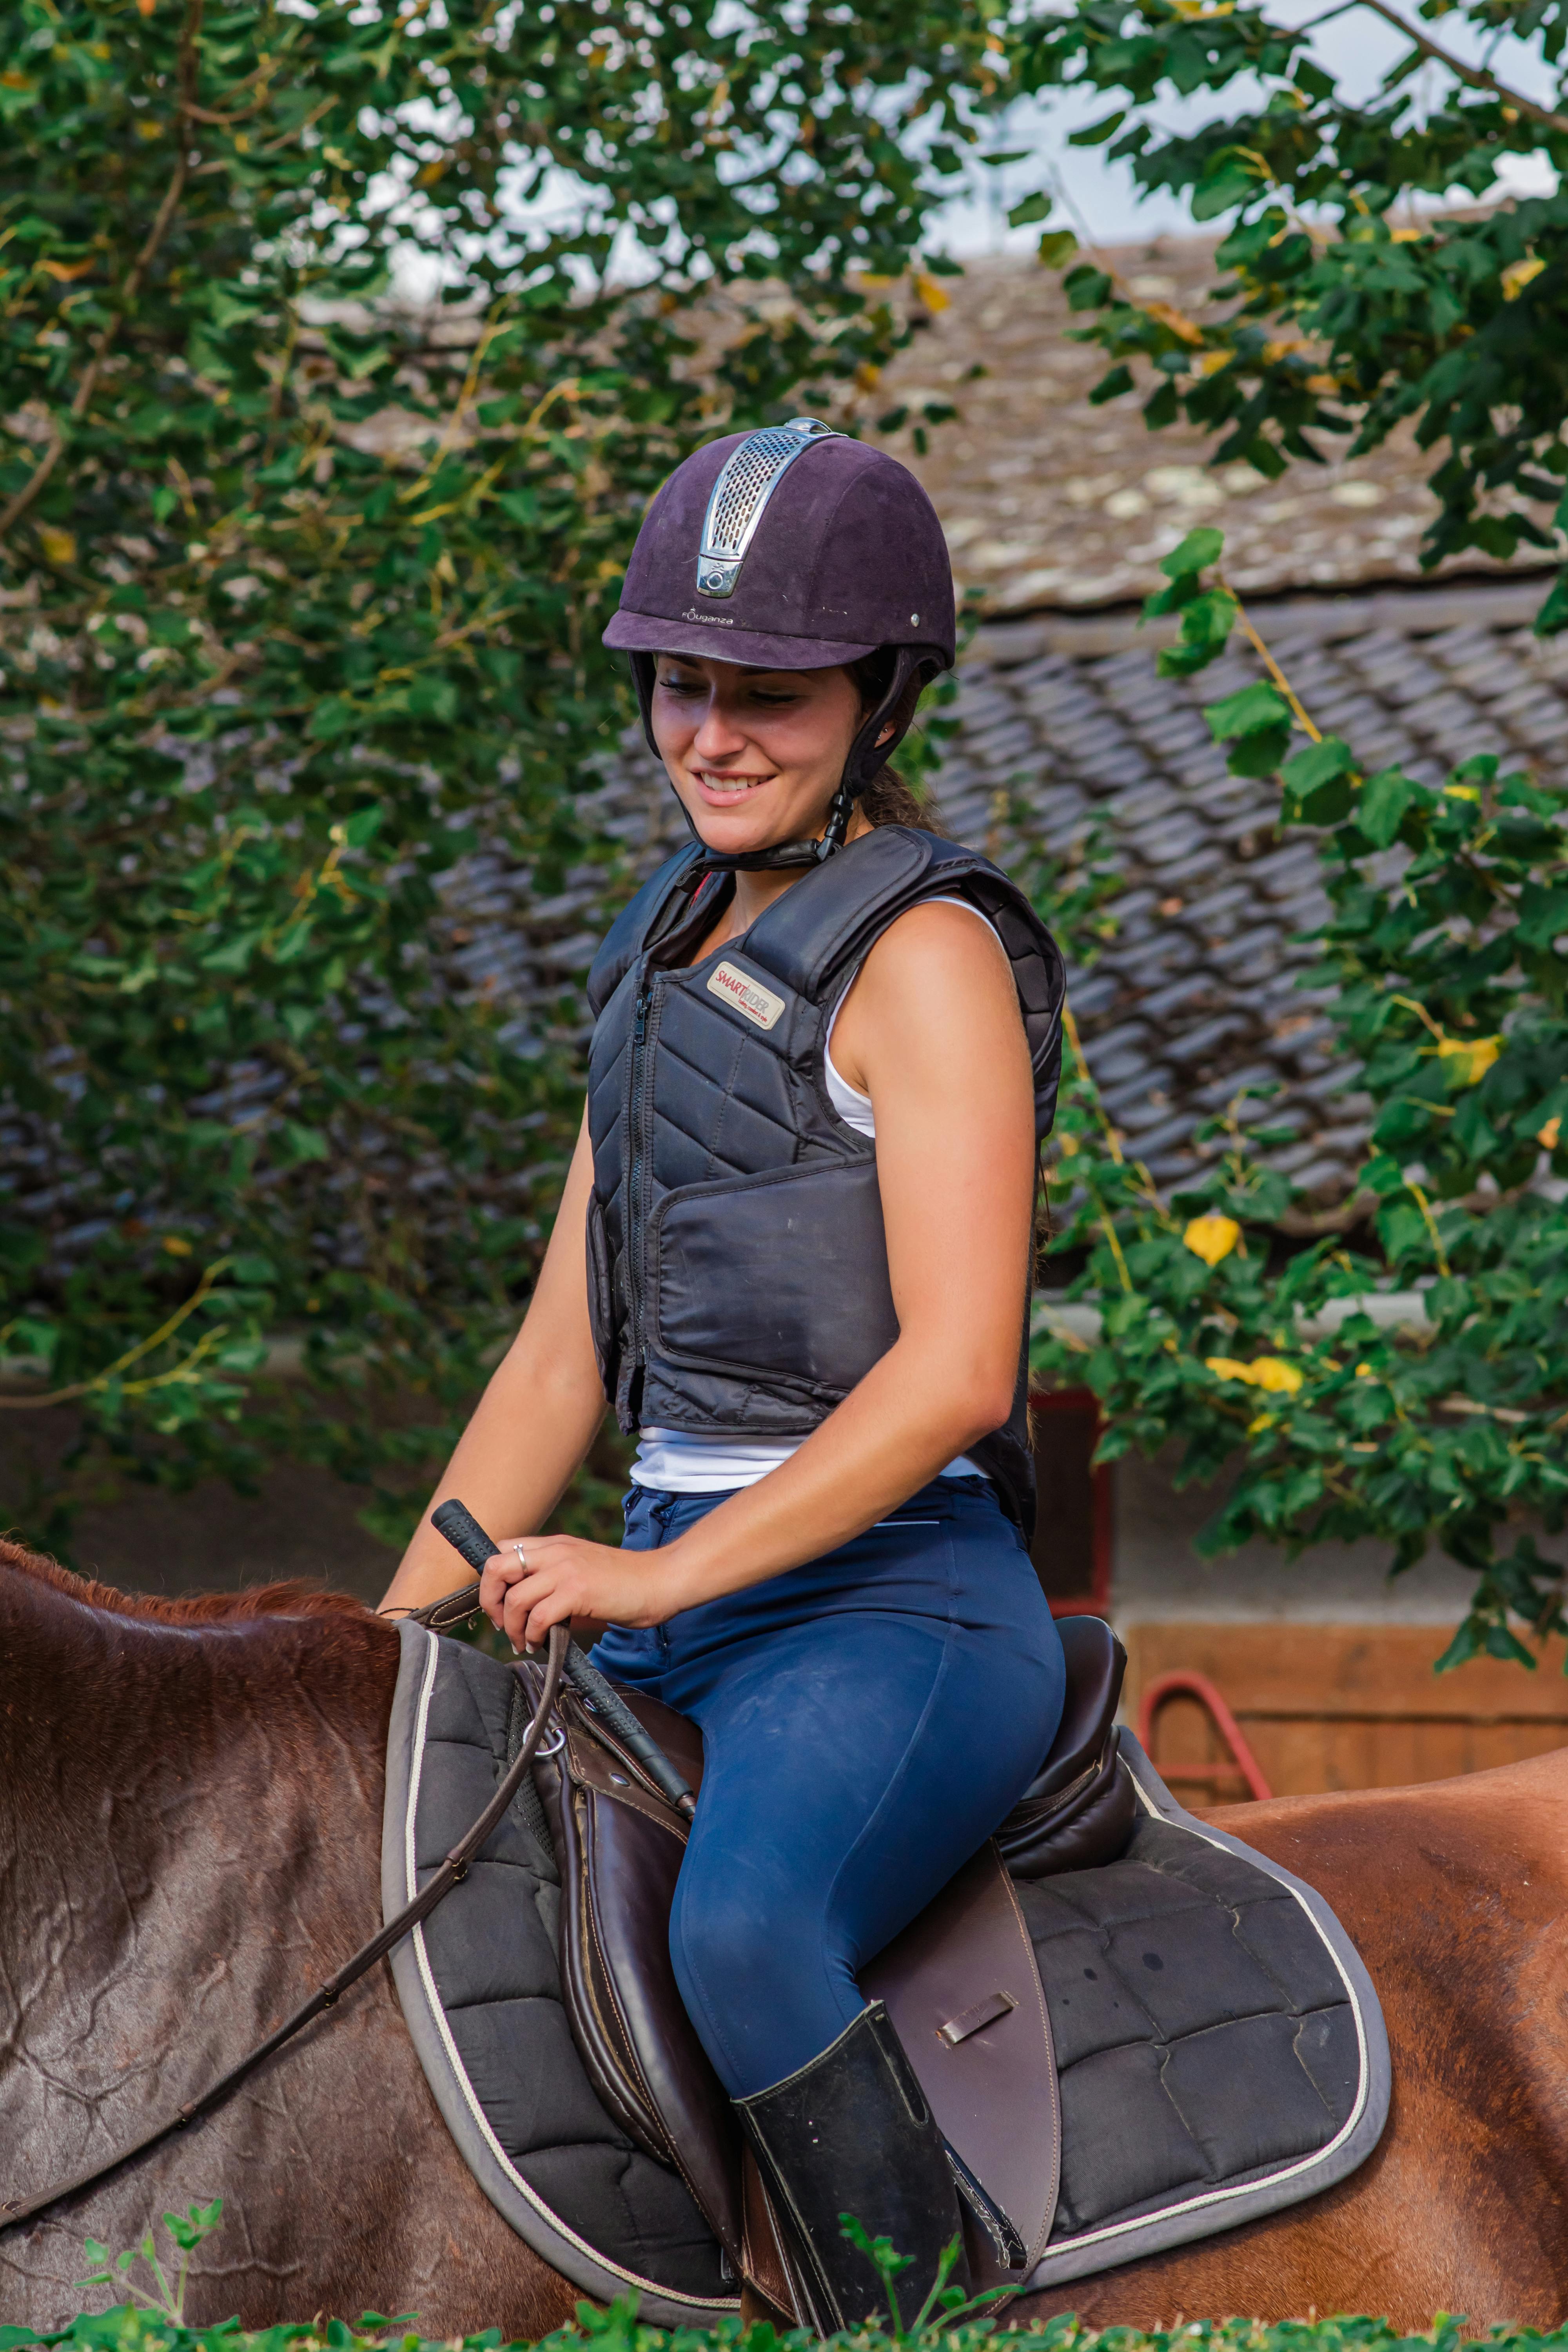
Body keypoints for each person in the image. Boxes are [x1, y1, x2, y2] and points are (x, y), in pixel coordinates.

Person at [382, 416, 1068, 2330]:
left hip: (892, 1610)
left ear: (879, 696)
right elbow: (556, 1362)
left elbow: (957, 1373)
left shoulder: (926, 955)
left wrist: (656, 1574)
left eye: (769, 694)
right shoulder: (657, 951)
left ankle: (919, 2329)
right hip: (665, 1609)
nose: (712, 735)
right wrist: (378, 1654)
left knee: (748, 1933)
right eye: (680, 685)